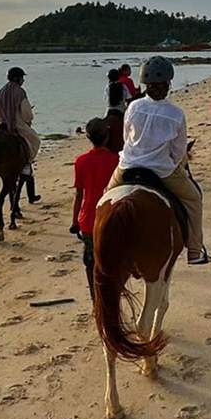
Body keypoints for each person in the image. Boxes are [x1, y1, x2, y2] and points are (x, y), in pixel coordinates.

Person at [108, 55, 210, 265]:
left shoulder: (133, 107)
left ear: (145, 84)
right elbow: (179, 150)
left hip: (127, 165)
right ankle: (194, 250)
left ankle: (92, 236)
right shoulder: (175, 114)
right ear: (168, 84)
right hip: (162, 171)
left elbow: (127, 137)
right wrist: (171, 162)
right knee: (193, 200)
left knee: (106, 196)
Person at [70, 117, 119, 299]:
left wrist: (74, 220)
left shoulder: (81, 161)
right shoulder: (116, 160)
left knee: (91, 263)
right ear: (106, 136)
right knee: (111, 260)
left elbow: (79, 195)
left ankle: (95, 298)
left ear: (88, 137)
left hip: (88, 219)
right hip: (111, 217)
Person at [0, 66, 41, 202]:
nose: (23, 80)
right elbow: (26, 113)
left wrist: (0, 120)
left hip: (0, 123)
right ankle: (27, 162)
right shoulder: (20, 92)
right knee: (35, 140)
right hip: (16, 124)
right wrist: (28, 120)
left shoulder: (1, 91)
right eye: (22, 78)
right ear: (16, 78)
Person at [104, 68, 126, 153]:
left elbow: (105, 99)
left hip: (109, 110)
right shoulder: (123, 86)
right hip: (121, 110)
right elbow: (129, 97)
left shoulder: (107, 87)